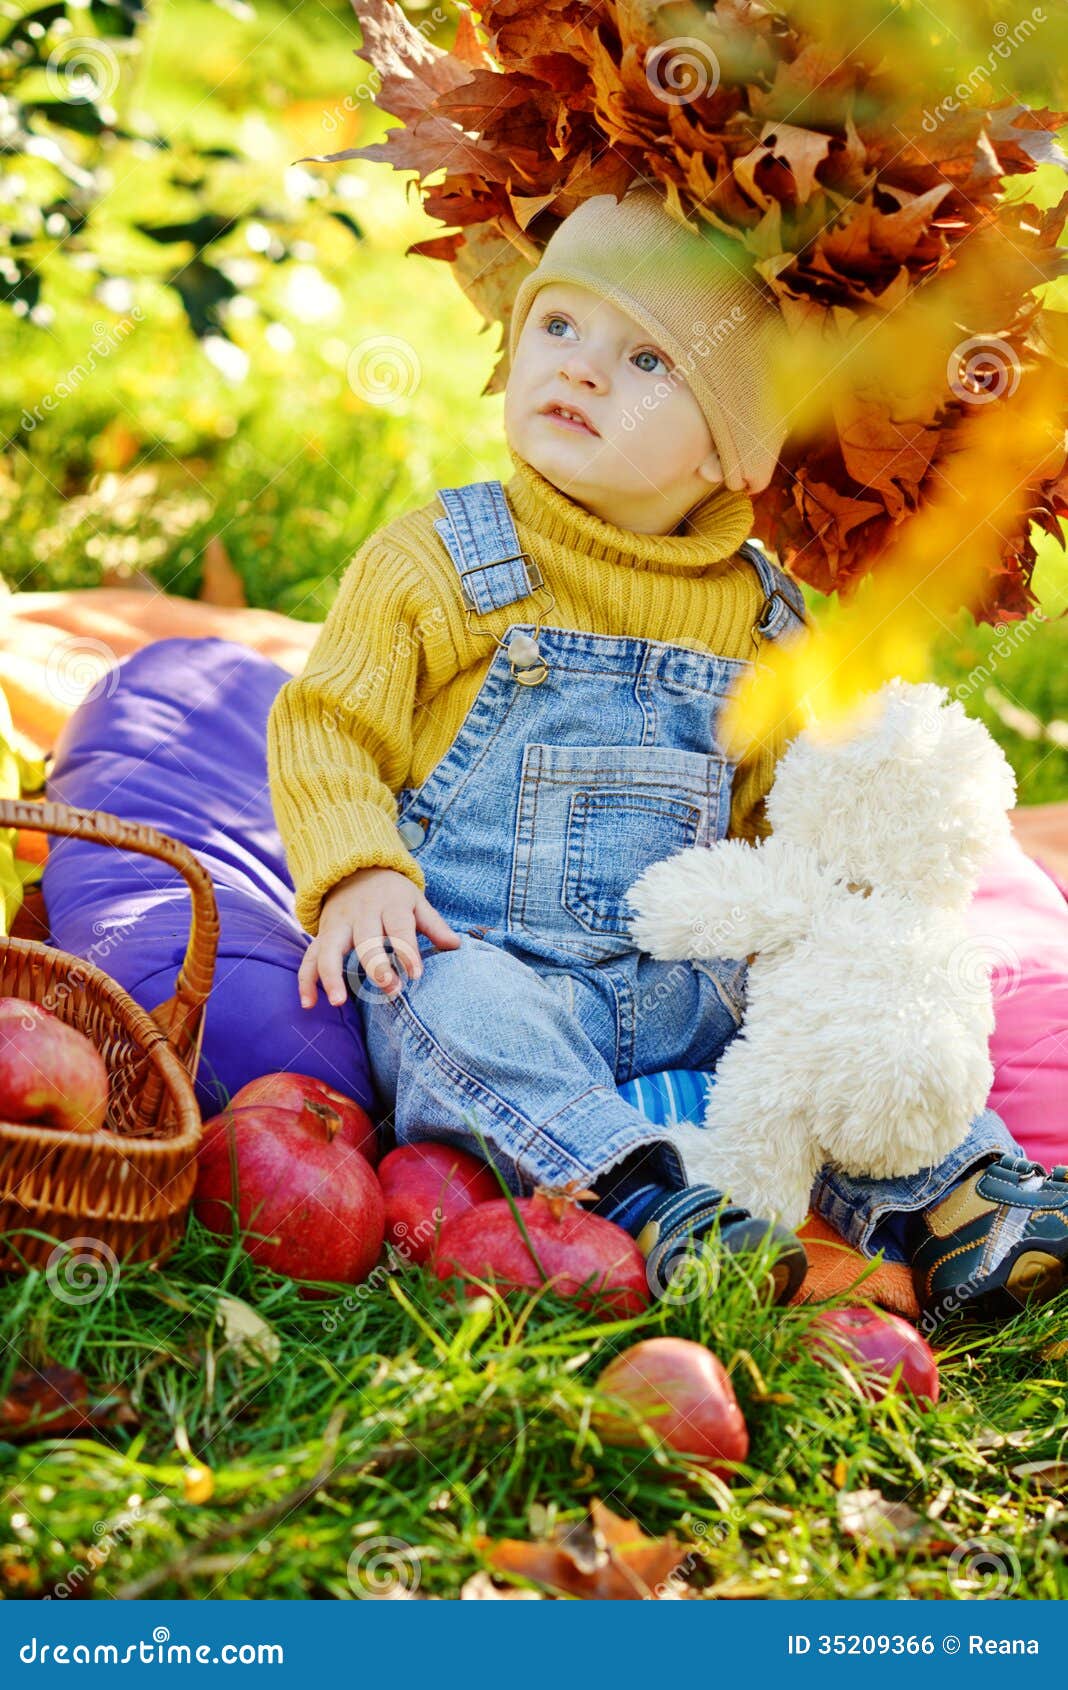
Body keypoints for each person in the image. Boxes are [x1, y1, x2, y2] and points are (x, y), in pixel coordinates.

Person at [267, 186, 1068, 1322]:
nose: (582, 369)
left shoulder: (767, 619)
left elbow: (788, 815)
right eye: (559, 327)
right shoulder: (441, 562)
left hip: (691, 975)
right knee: (438, 1003)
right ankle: (645, 1193)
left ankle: (961, 1199)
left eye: (648, 362)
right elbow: (326, 726)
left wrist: (847, 922)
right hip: (507, 959)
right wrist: (360, 869)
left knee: (838, 988)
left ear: (728, 456)